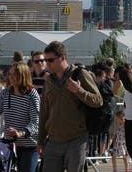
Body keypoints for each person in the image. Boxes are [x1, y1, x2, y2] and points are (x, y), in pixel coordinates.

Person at [37, 40, 102, 172]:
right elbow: (44, 111)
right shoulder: (49, 80)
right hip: (53, 140)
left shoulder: (80, 74)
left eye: (50, 60)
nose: (46, 64)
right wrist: (40, 140)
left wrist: (79, 91)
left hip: (76, 139)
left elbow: (98, 100)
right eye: (45, 60)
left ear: (63, 58)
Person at [0, 62, 40, 172]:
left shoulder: (32, 94)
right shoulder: (5, 93)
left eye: (15, 74)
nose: (12, 77)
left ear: (23, 76)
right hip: (10, 144)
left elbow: (36, 121)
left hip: (30, 146)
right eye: (10, 74)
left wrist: (21, 133)